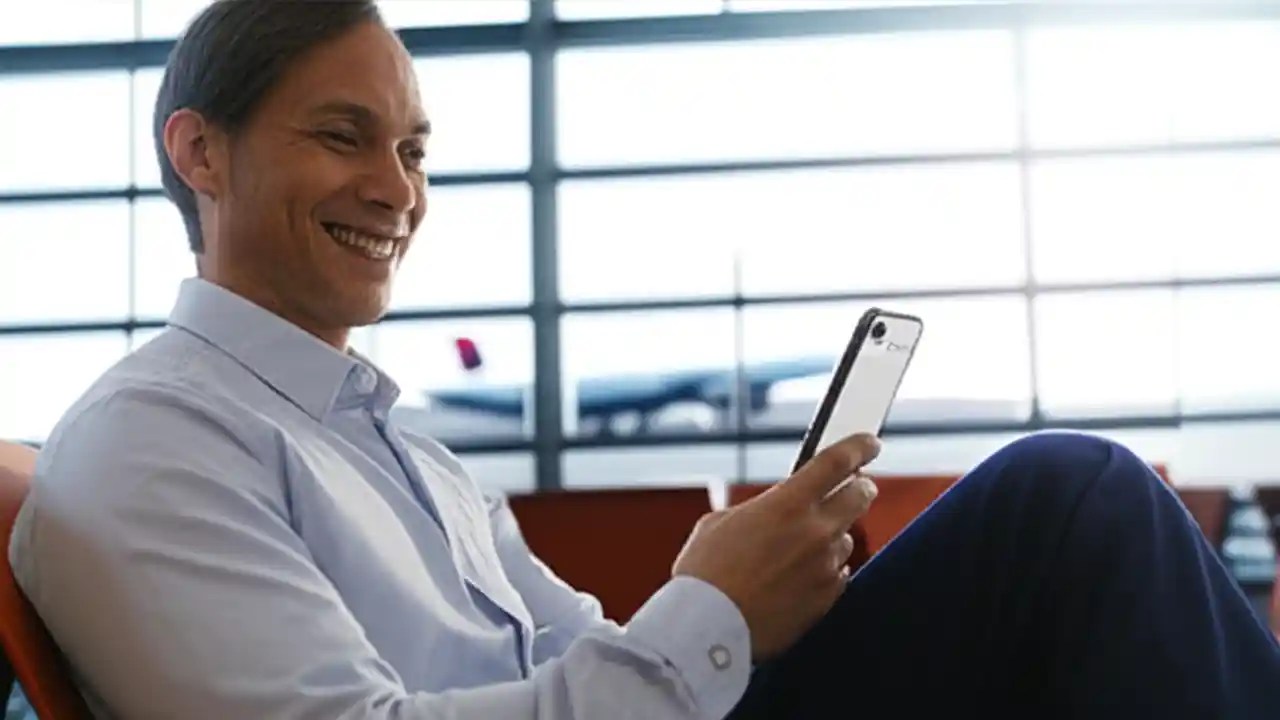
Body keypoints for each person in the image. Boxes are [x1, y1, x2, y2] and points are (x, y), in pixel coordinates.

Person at [9, 2, 1278, 718]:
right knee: (1064, 504)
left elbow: (585, 649)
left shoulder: (402, 447)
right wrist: (710, 613)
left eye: (415, 150)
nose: (397, 190)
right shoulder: (150, 441)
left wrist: (741, 598)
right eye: (345, 137)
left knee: (1060, 549)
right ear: (201, 152)